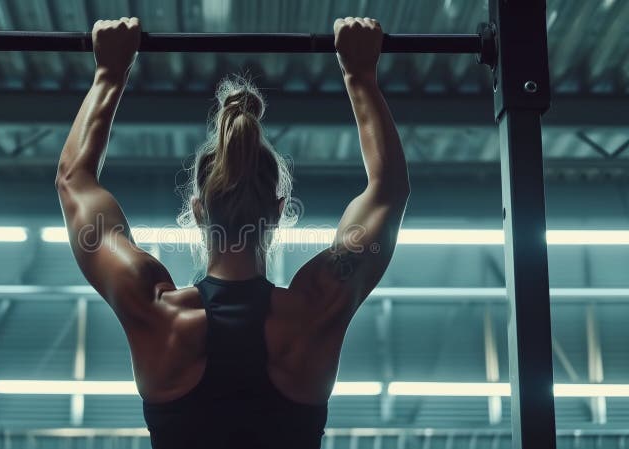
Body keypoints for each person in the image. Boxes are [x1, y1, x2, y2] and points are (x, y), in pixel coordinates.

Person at [55, 16, 409, 449]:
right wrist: (360, 74)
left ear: (197, 211)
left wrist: (109, 72)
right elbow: (388, 191)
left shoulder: (158, 312)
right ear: (279, 211)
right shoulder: (313, 309)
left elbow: (74, 180)